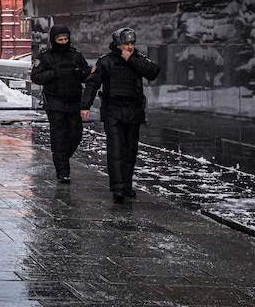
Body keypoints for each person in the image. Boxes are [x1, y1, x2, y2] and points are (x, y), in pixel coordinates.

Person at [81, 27, 161, 203]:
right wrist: (85, 106)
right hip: (113, 111)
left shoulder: (137, 59)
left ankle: (126, 185)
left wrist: (132, 60)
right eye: (126, 44)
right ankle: (118, 187)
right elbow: (92, 84)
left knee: (130, 150)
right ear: (117, 45)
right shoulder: (106, 61)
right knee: (116, 149)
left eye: (132, 43)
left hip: (133, 111)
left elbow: (153, 71)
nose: (130, 47)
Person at [30, 24, 90, 183]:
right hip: (54, 101)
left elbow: (87, 74)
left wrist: (80, 72)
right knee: (59, 136)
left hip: (73, 100)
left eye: (66, 39)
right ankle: (62, 172)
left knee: (76, 135)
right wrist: (54, 74)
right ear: (54, 40)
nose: (63, 42)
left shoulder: (75, 55)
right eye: (60, 39)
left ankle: (62, 157)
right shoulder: (45, 56)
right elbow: (36, 77)